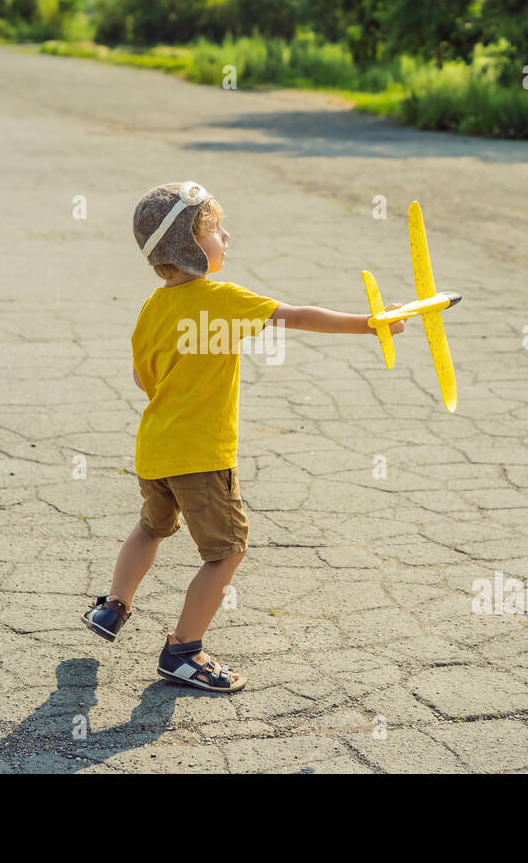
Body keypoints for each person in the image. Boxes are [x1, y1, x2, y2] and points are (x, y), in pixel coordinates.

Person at [82, 181, 405, 692]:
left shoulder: (151, 309)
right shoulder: (222, 299)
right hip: (201, 455)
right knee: (226, 551)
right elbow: (297, 316)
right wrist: (369, 324)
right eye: (213, 229)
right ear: (188, 246)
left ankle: (114, 608)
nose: (226, 235)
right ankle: (182, 652)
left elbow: (143, 379)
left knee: (151, 528)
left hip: (155, 448)